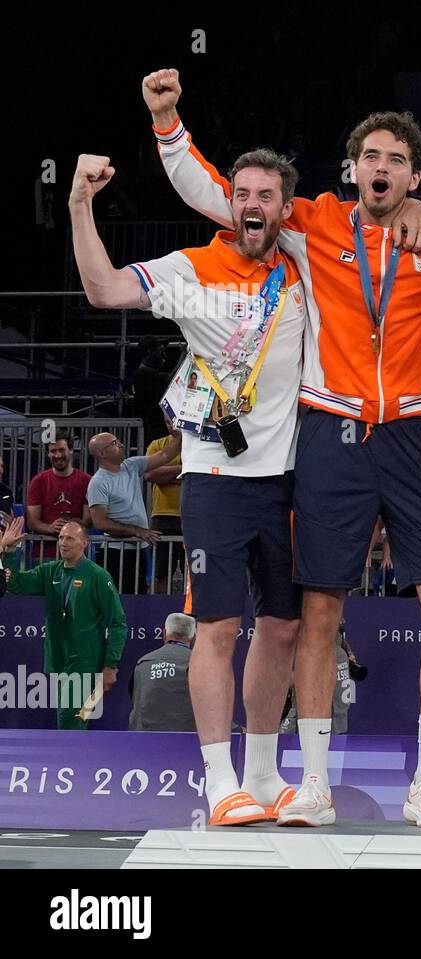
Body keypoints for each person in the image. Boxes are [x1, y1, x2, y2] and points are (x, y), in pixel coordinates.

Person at [144, 67, 421, 828]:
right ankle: (310, 784)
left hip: (412, 434)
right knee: (318, 610)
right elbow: (220, 193)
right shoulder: (313, 221)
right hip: (332, 433)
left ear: (415, 173)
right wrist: (168, 122)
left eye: (396, 159)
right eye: (370, 156)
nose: (381, 168)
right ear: (355, 169)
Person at [70, 144, 307, 826]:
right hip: (216, 478)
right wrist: (81, 203)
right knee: (219, 625)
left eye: (267, 195)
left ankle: (263, 776)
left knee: (284, 626)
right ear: (227, 203)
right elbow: (104, 289)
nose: (253, 204)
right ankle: (219, 778)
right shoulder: (191, 268)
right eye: (243, 193)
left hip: (288, 478)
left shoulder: (301, 274)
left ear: (284, 210)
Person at [2, 519, 126, 730]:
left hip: (84, 662)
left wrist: (110, 665)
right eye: (60, 537)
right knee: (78, 717)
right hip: (58, 658)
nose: (63, 543)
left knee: (72, 719)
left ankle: (71, 761)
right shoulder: (50, 571)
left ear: (85, 543)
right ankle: (78, 759)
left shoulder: (97, 576)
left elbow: (117, 623)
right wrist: (11, 551)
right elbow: (16, 584)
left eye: (70, 538)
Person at [86, 430, 179, 595]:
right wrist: (136, 531)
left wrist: (180, 436)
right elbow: (100, 522)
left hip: (137, 550)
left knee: (138, 598)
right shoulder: (98, 482)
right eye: (114, 443)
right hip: (115, 553)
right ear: (102, 453)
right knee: (116, 601)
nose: (121, 445)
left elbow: (164, 455)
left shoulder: (131, 465)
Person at [24, 432, 92, 564]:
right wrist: (51, 528)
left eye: (62, 450)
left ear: (71, 450)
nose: (58, 455)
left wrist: (72, 525)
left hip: (77, 553)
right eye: (53, 451)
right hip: (44, 554)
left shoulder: (86, 481)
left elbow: (88, 520)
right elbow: (32, 522)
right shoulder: (38, 481)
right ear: (48, 454)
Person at [129, 613, 197, 732]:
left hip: (145, 738)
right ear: (194, 638)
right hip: (189, 739)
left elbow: (136, 701)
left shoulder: (144, 662)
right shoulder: (200, 663)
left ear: (164, 633)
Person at [143, 432, 183, 592]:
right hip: (162, 516)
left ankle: (192, 613)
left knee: (194, 572)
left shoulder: (197, 444)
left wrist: (166, 476)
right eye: (166, 421)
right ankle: (160, 608)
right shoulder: (157, 445)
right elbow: (150, 474)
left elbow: (201, 475)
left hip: (192, 515)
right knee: (161, 572)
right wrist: (183, 470)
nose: (171, 424)